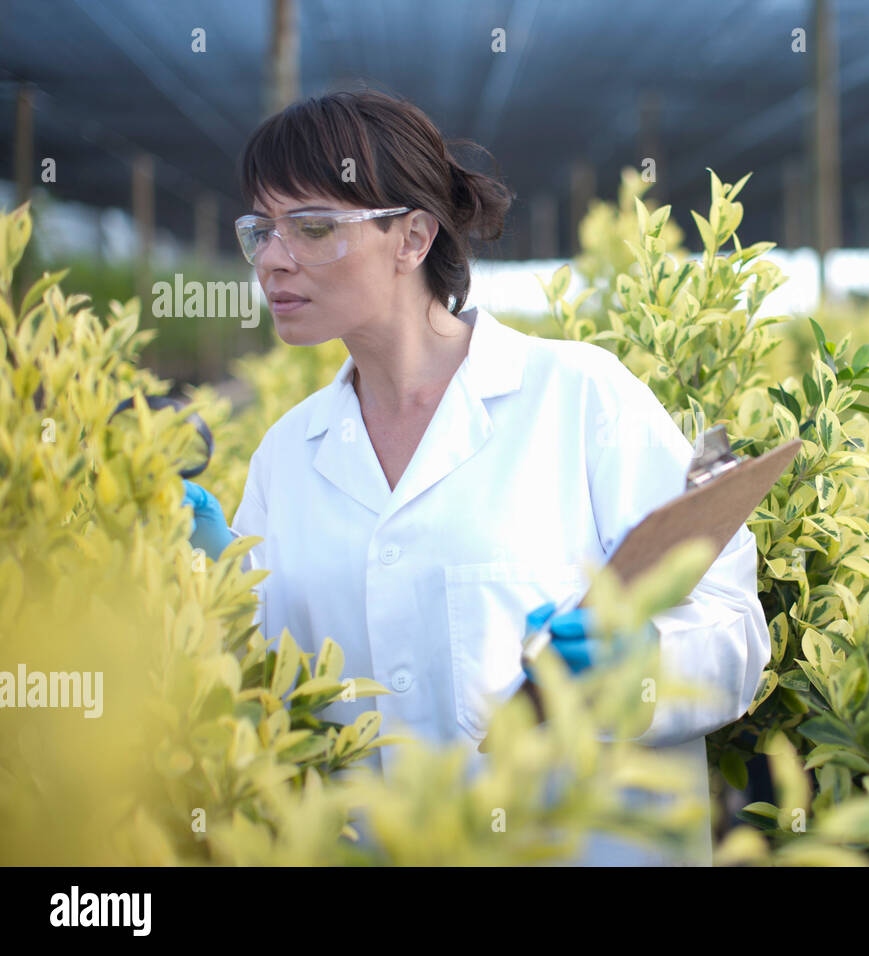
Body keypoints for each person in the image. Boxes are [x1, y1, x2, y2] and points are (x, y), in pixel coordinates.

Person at [183, 89, 769, 865]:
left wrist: (642, 664)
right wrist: (216, 588)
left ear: (414, 237)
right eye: (260, 230)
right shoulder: (288, 455)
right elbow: (278, 694)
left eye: (313, 226)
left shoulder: (578, 396)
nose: (271, 258)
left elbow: (734, 628)